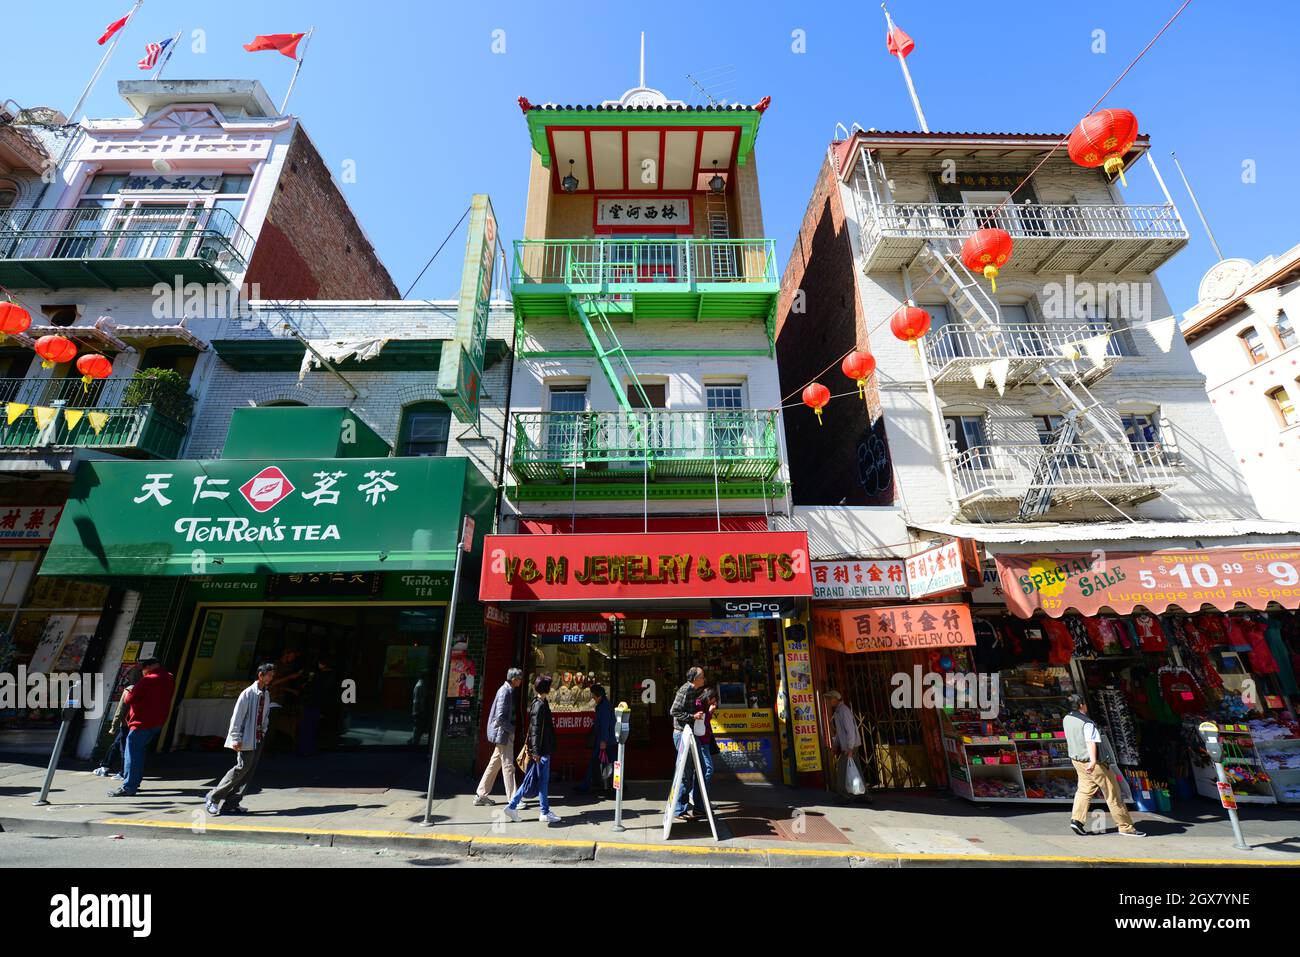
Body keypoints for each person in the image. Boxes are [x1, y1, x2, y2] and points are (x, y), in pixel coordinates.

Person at [1063, 694, 1144, 837]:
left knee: (1084, 789)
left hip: (1077, 760)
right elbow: (1090, 742)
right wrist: (1094, 761)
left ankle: (1077, 820)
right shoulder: (1087, 723)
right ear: (1082, 704)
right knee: (1113, 793)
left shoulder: (1067, 719)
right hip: (1093, 763)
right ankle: (1125, 827)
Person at [205, 663, 276, 816]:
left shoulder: (266, 693)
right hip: (246, 737)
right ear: (260, 675)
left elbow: (265, 715)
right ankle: (214, 796)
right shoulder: (248, 693)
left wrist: (264, 729)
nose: (271, 678)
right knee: (241, 768)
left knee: (249, 771)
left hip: (258, 737)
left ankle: (232, 803)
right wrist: (236, 737)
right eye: (269, 675)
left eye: (272, 675)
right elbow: (237, 717)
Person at [108, 657, 175, 797]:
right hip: (158, 722)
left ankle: (129, 787)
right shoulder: (169, 678)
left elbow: (129, 699)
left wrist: (128, 691)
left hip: (141, 722)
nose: (142, 672)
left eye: (143, 668)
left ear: (149, 667)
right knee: (138, 753)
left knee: (132, 755)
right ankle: (133, 782)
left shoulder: (148, 680)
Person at [504, 675, 560, 825]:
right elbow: (535, 731)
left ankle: (539, 811)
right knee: (539, 780)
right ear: (546, 689)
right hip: (541, 751)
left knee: (537, 780)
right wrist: (536, 752)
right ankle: (538, 810)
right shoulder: (539, 706)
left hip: (541, 749)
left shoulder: (541, 702)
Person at [475, 667, 523, 806]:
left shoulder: (507, 690)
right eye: (519, 679)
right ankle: (514, 799)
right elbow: (500, 718)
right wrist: (512, 729)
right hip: (503, 734)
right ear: (514, 680)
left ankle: (481, 794)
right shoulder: (505, 692)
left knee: (494, 764)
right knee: (508, 766)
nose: (520, 682)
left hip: (503, 733)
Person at [669, 666, 708, 822]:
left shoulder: (694, 690)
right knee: (686, 772)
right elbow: (674, 711)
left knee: (700, 770)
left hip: (689, 734)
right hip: (682, 735)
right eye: (702, 676)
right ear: (695, 678)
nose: (704, 679)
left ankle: (697, 807)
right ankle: (680, 808)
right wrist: (693, 716)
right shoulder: (685, 690)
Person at [94, 666, 141, 778]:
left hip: (127, 723)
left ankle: (122, 772)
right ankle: (105, 766)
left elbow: (120, 710)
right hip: (137, 723)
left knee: (124, 748)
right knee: (117, 744)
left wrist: (113, 726)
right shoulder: (146, 689)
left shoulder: (129, 689)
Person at [825, 690, 867, 802]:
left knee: (842, 767)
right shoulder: (838, 712)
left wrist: (850, 747)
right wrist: (835, 745)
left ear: (835, 699)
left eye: (830, 699)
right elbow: (840, 732)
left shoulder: (844, 711)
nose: (829, 702)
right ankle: (864, 795)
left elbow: (850, 731)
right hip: (849, 746)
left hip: (850, 746)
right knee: (856, 768)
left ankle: (843, 794)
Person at [575, 684, 616, 795]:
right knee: (612, 762)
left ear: (599, 696)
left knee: (599, 761)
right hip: (606, 740)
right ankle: (619, 784)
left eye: (594, 696)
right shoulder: (604, 705)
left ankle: (586, 784)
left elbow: (605, 725)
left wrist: (603, 741)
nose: (593, 698)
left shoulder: (604, 707)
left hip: (605, 741)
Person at [297, 657, 339, 756]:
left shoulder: (321, 675)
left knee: (308, 725)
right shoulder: (326, 675)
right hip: (315, 702)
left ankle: (305, 748)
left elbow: (313, 686)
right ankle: (307, 748)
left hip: (313, 702)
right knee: (310, 726)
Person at [410, 670, 432, 747]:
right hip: (418, 710)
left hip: (418, 709)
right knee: (418, 727)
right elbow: (417, 700)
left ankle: (414, 741)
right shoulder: (420, 686)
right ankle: (414, 743)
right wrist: (421, 709)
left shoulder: (421, 685)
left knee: (419, 727)